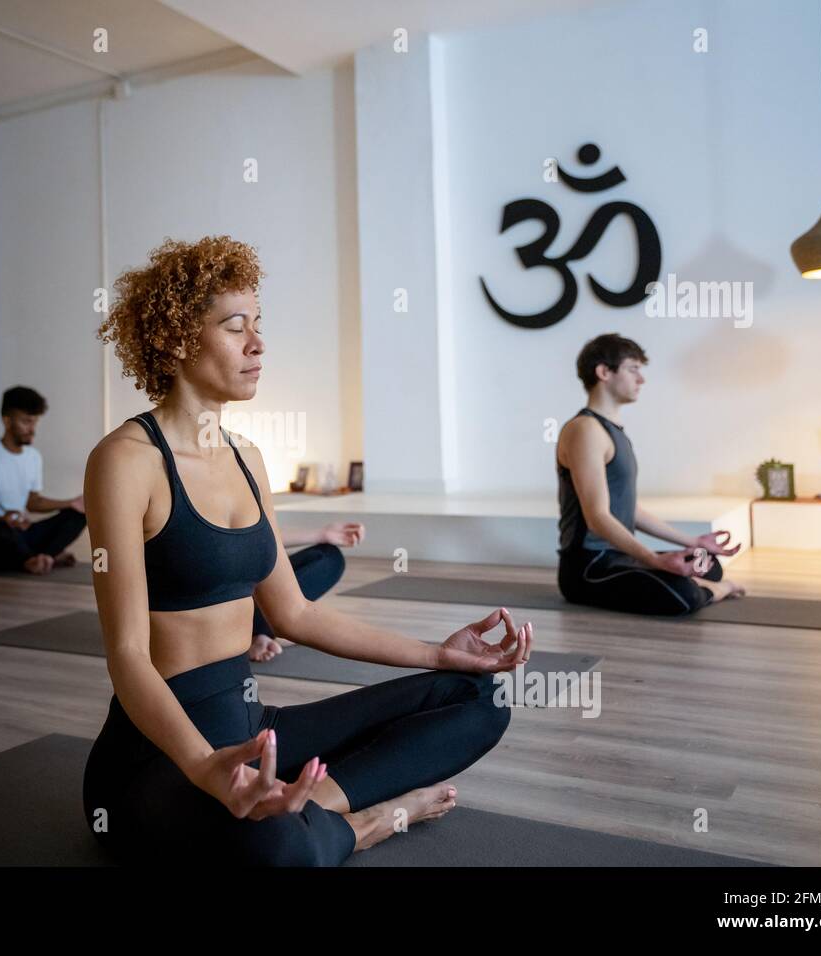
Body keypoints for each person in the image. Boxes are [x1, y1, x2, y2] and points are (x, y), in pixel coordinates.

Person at [81, 235, 532, 866]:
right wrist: (208, 767)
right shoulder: (125, 463)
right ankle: (369, 820)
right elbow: (128, 657)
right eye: (236, 327)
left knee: (475, 697)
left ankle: (315, 804)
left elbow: (295, 614)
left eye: (258, 326)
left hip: (249, 727)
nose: (258, 344)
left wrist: (437, 652)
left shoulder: (249, 459)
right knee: (271, 850)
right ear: (178, 338)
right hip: (157, 758)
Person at [555, 333, 745, 615]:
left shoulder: (611, 430)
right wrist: (653, 560)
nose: (641, 379)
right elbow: (597, 518)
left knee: (706, 563)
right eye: (633, 369)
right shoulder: (585, 430)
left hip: (617, 556)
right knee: (684, 596)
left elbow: (628, 510)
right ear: (604, 372)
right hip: (589, 567)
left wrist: (692, 541)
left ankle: (700, 579)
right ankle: (719, 589)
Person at [0, 386, 86, 574]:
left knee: (78, 516)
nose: (32, 429)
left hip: (22, 533)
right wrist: (4, 518)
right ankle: (38, 557)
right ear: (7, 421)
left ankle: (39, 557)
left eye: (35, 422)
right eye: (26, 422)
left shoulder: (33, 457)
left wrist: (71, 503)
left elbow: (33, 502)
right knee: (0, 531)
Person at [248, 521, 363, 663]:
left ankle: (261, 629)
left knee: (327, 556)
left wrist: (324, 534)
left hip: (244, 587)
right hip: (220, 605)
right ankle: (254, 631)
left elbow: (255, 540)